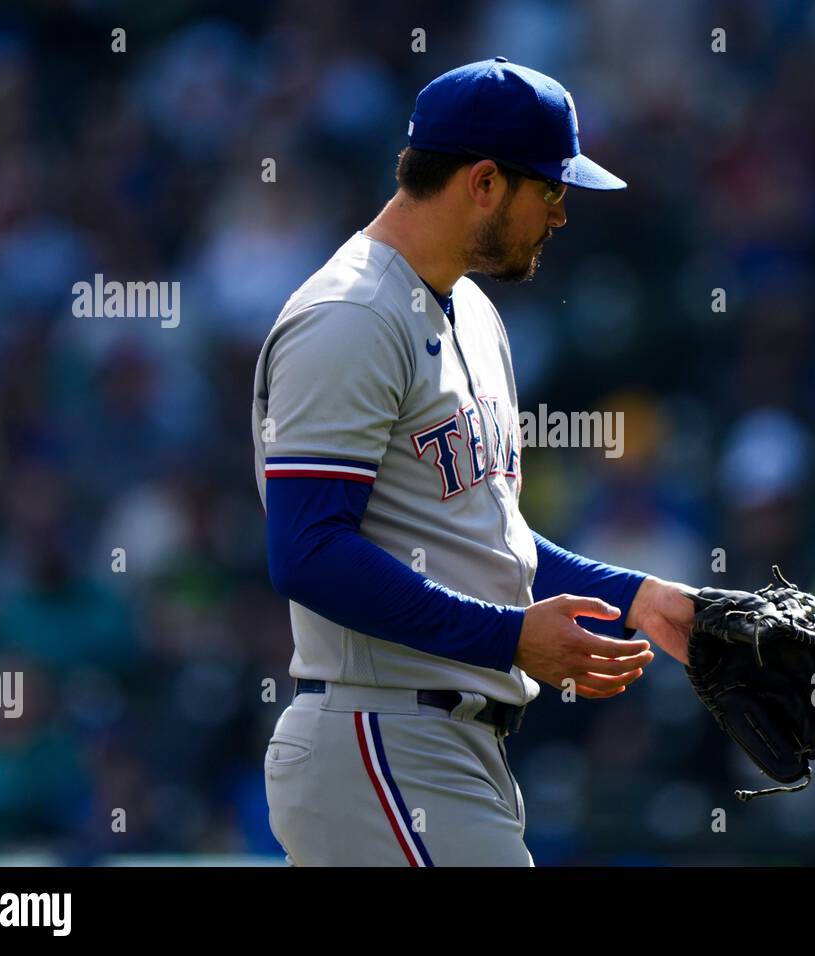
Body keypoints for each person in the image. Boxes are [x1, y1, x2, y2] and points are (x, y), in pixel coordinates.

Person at [252, 57, 696, 866]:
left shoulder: (476, 312)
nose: (562, 214)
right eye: (551, 189)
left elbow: (489, 539)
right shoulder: (351, 315)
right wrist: (509, 638)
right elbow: (307, 552)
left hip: (444, 746)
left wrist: (640, 597)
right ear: (485, 182)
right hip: (379, 735)